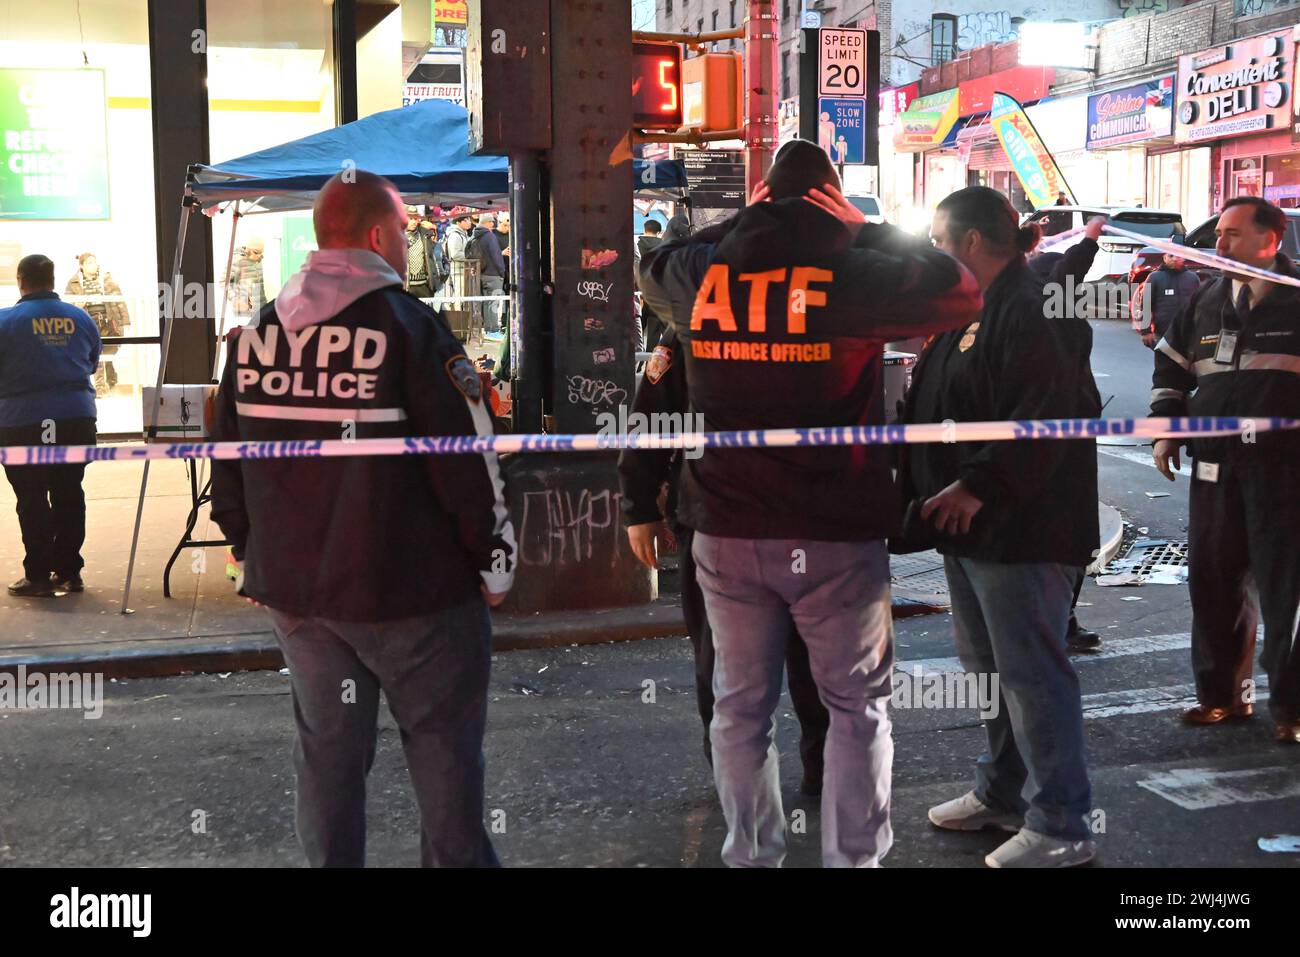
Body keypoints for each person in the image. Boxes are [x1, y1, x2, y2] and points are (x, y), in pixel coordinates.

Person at [639, 140, 982, 868]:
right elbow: (959, 288)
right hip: (834, 530)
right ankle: (853, 857)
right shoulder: (850, 271)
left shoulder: (704, 272)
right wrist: (865, 229)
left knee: (739, 707)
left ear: (761, 194)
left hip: (727, 525)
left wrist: (734, 227)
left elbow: (650, 265)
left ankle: (751, 853)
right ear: (831, 199)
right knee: (857, 709)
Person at [210, 169, 517, 866]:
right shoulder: (411, 329)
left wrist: (248, 551)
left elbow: (223, 460)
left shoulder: (254, 336)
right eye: (406, 233)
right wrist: (496, 562)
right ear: (378, 236)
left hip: (299, 597)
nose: (408, 247)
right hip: (414, 596)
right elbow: (465, 460)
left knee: (328, 761)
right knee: (445, 768)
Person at [910, 186, 1100, 868]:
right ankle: (1004, 792)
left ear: (968, 242)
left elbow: (1046, 416)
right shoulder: (967, 309)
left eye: (937, 239)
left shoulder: (1032, 306)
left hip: (1026, 529)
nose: (933, 252)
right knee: (989, 671)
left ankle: (1062, 822)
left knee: (1032, 675)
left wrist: (980, 483)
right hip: (970, 530)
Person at [618, 325, 830, 794]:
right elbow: (653, 417)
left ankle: (823, 771)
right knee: (727, 665)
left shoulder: (822, 303)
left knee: (813, 662)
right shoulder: (693, 319)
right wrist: (639, 505)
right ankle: (744, 778)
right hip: (726, 517)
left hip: (800, 516)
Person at [1150, 196, 1300, 745]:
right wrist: (1167, 426)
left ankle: (1293, 708)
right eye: (1219, 234)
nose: (1220, 244)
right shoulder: (1207, 301)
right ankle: (1222, 697)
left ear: (1271, 240)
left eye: (1234, 234)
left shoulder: (1296, 301)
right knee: (1213, 580)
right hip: (1215, 464)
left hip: (1285, 470)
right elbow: (1170, 364)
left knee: (1290, 591)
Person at [1027, 216, 1108, 655]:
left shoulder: (1059, 313)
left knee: (1073, 538)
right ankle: (1056, 622)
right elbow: (1064, 276)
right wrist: (1089, 241)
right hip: (1057, 442)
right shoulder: (1045, 313)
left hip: (1074, 434)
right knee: (1066, 536)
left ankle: (1063, 618)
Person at [0, 254, 100, 598]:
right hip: (76, 417)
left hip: (24, 421)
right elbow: (91, 362)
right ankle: (70, 572)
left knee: (31, 498)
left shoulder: (6, 321)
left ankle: (38, 576)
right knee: (69, 492)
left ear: (21, 280)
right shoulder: (80, 318)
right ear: (53, 280)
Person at [65, 252, 129, 397]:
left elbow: (119, 300)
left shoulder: (106, 279)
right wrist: (77, 305)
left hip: (108, 320)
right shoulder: (73, 282)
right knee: (97, 354)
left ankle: (111, 380)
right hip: (88, 321)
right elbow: (67, 302)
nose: (93, 265)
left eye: (94, 262)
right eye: (89, 262)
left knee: (110, 351)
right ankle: (101, 388)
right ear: (81, 266)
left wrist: (125, 321)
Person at [1135, 252, 1201, 349]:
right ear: (1165, 258)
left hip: (1188, 333)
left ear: (1184, 258)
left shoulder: (1193, 278)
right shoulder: (1154, 277)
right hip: (1162, 333)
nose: (1174, 259)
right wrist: (1146, 331)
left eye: (1178, 255)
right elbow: (1145, 305)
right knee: (1164, 362)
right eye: (1171, 256)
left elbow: (1199, 305)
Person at [472, 213, 507, 341]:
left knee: (487, 302)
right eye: (492, 222)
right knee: (493, 302)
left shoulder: (476, 235)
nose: (493, 224)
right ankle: (492, 330)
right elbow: (496, 256)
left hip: (482, 273)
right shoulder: (490, 236)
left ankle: (487, 328)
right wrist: (502, 271)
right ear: (487, 222)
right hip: (493, 274)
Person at [635, 220, 666, 351]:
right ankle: (649, 360)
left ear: (645, 229)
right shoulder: (665, 247)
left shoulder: (636, 245)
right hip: (657, 293)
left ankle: (637, 361)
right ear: (659, 232)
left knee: (637, 326)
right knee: (655, 328)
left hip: (638, 293)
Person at [403, 205, 441, 300]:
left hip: (424, 285)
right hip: (405, 286)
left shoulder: (425, 234)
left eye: (415, 218)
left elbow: (435, 256)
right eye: (410, 218)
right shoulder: (396, 237)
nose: (414, 222)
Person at [227, 236, 267, 317]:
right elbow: (225, 282)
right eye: (256, 252)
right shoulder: (238, 260)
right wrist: (235, 299)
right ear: (248, 250)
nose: (259, 256)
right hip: (244, 310)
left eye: (261, 253)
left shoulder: (258, 261)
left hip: (260, 308)